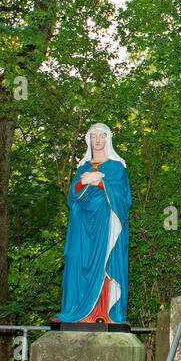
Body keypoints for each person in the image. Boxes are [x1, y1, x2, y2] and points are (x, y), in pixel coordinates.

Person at [57, 123, 131, 325]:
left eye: (102, 136)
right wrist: (85, 180)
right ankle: (75, 312)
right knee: (76, 261)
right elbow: (72, 196)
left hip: (105, 226)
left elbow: (124, 201)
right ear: (88, 140)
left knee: (104, 263)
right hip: (81, 227)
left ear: (108, 139)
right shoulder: (82, 168)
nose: (97, 141)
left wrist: (99, 182)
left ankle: (104, 314)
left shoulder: (116, 167)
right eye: (93, 137)